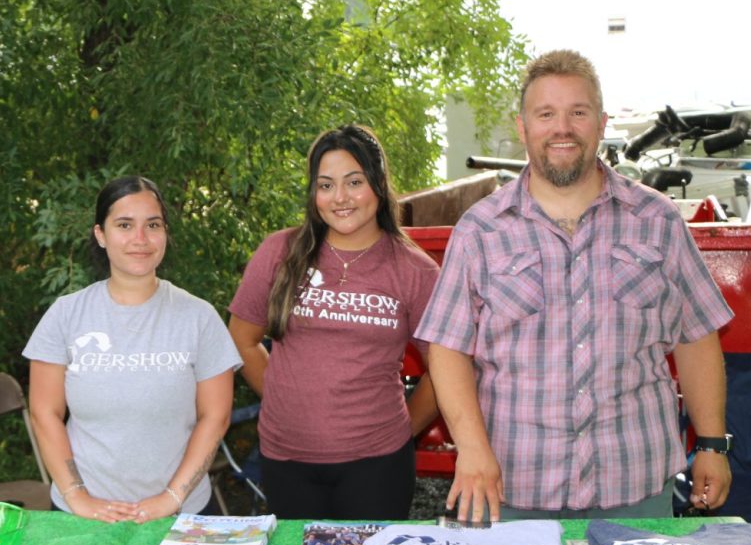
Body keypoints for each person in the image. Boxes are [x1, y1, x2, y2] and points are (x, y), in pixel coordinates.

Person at [418, 49, 734, 523]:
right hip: (511, 487)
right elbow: (447, 349)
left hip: (637, 486)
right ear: (523, 128)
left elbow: (696, 335)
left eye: (577, 113)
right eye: (546, 114)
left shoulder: (657, 220)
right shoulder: (480, 229)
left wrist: (711, 443)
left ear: (601, 123)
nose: (561, 128)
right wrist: (472, 449)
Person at [227, 125, 441, 520]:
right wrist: (280, 396)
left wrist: (403, 429)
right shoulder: (280, 252)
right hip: (286, 460)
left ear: (378, 185)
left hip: (378, 466)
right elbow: (241, 338)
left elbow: (448, 371)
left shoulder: (414, 270)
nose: (339, 198)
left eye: (354, 182)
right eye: (325, 185)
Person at [25, 176, 242, 523]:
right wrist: (77, 497)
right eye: (124, 225)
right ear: (101, 234)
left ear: (165, 233)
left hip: (183, 513)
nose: (140, 239)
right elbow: (44, 413)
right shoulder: (65, 315)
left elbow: (215, 417)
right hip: (81, 516)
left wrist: (172, 497)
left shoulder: (199, 317)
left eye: (152, 225)